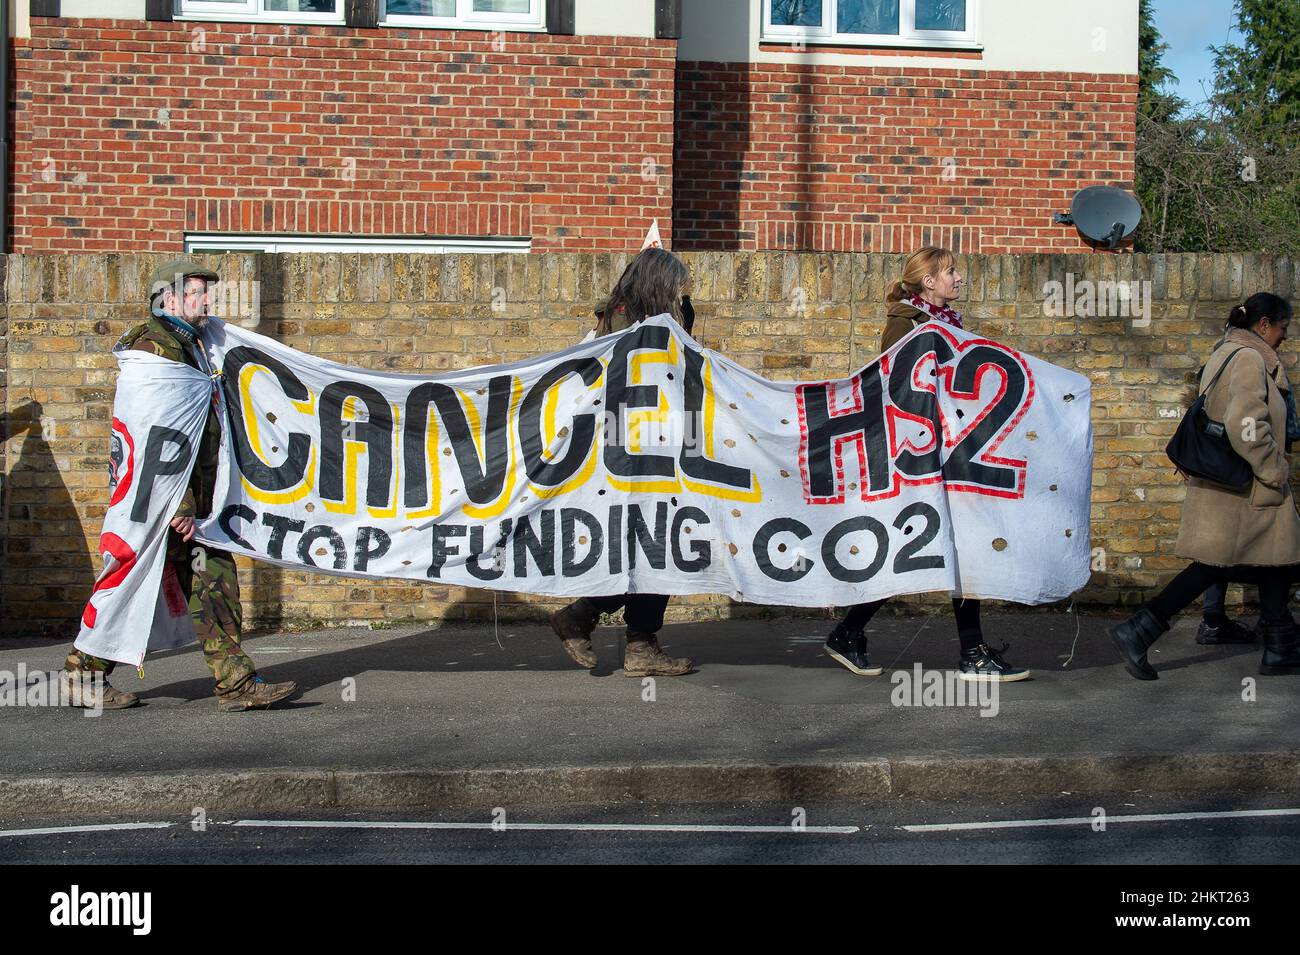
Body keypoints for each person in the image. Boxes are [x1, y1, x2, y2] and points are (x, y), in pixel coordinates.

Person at [60, 258, 299, 712]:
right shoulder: (157, 349)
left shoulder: (192, 345)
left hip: (189, 498)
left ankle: (234, 683)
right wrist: (179, 503)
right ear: (167, 299)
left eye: (207, 291)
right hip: (163, 498)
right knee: (135, 579)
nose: (207, 300)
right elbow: (156, 435)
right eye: (196, 292)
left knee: (212, 580)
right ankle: (83, 673)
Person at [823, 246, 1030, 682]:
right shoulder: (904, 326)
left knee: (953, 545)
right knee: (919, 546)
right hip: (919, 455)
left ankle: (853, 632)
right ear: (929, 281)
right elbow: (895, 388)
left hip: (950, 451)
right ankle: (964, 651)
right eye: (951, 272)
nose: (959, 279)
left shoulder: (949, 324)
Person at [1111, 292, 1300, 678]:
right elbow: (1245, 425)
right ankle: (1139, 629)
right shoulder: (1250, 359)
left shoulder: (1227, 350)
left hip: (1233, 484)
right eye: (1283, 328)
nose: (1285, 337)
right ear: (1263, 326)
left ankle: (1281, 645)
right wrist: (1275, 469)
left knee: (1274, 561)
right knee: (1213, 566)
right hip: (1248, 486)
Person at [549, 248, 696, 677]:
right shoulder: (622, 322)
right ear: (657, 284)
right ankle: (597, 623)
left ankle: (623, 636)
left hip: (653, 444)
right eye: (675, 287)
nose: (680, 294)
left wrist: (685, 315)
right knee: (650, 547)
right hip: (630, 449)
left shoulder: (650, 316)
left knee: (654, 546)